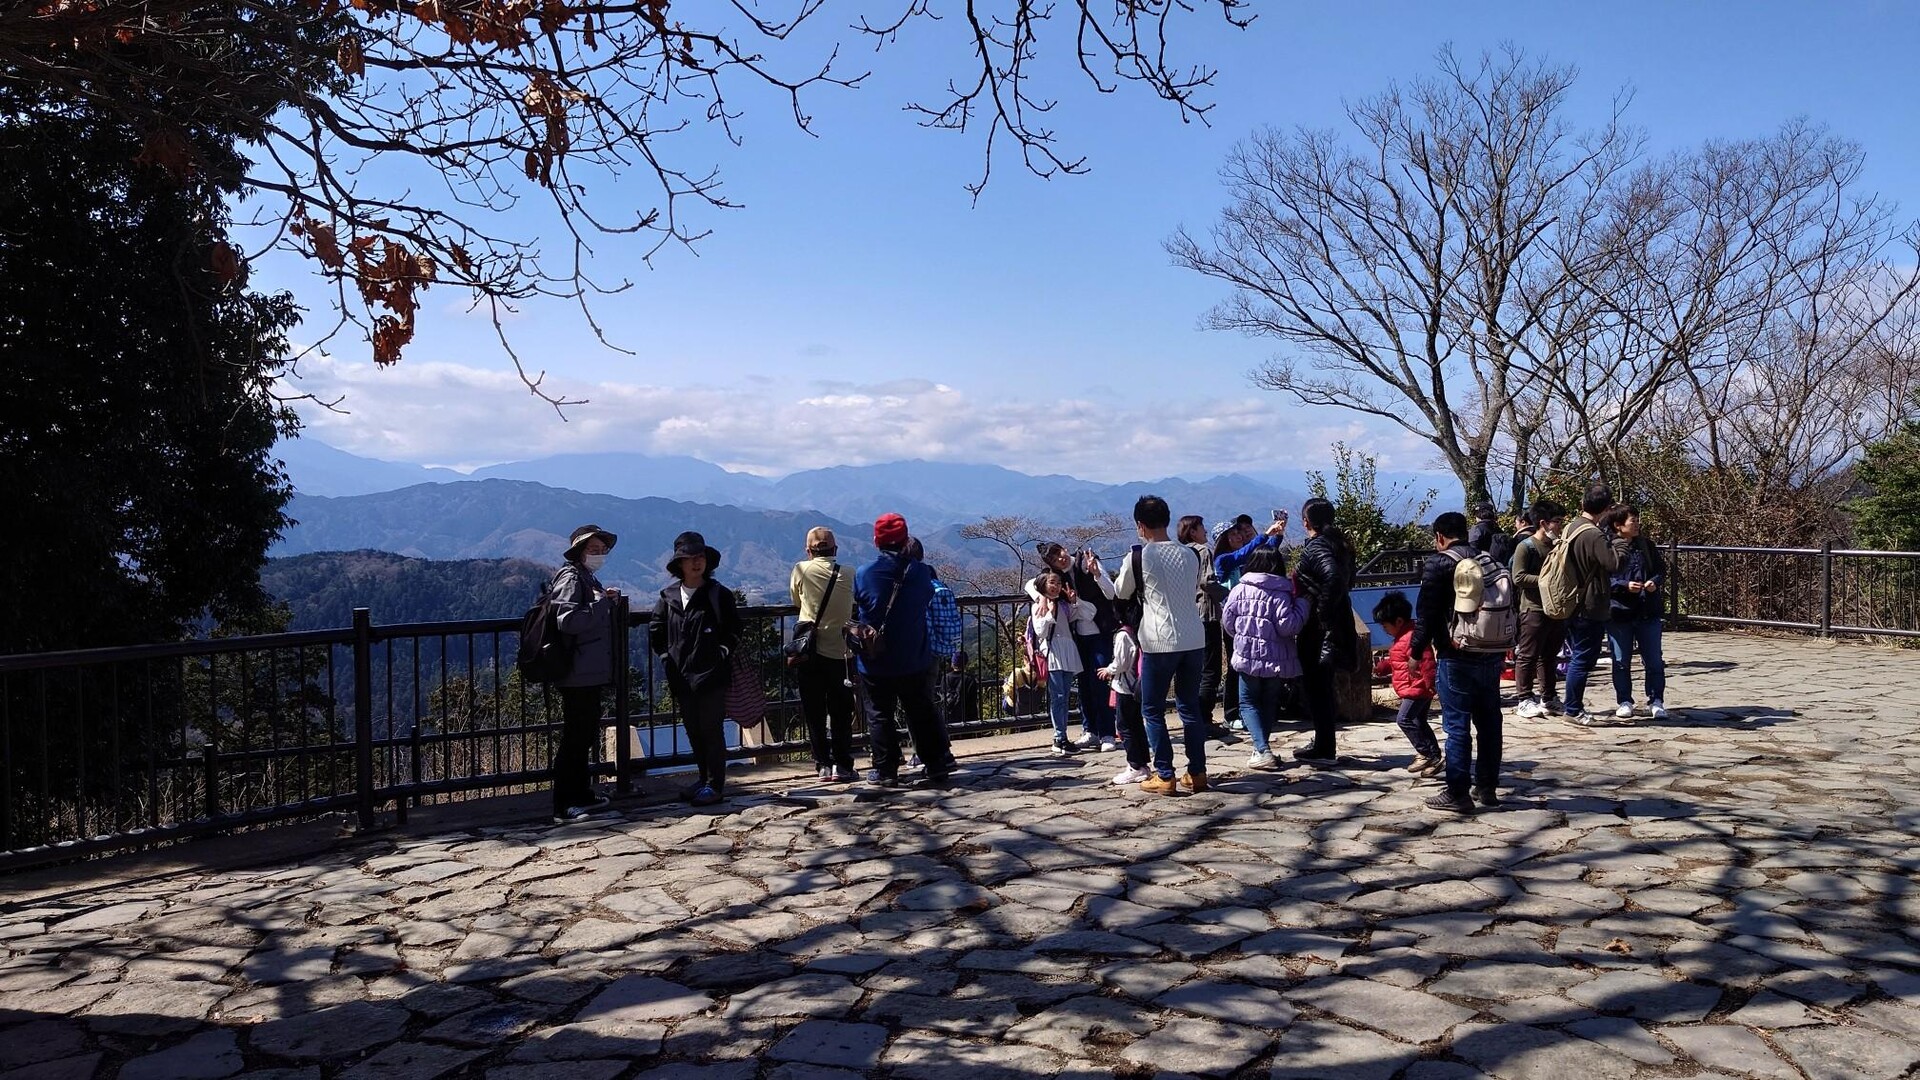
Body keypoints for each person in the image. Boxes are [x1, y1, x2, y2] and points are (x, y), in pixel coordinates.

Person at [1408, 512, 1504, 813]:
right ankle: (1487, 787)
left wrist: (1415, 651)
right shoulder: (1487, 559)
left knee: (1457, 725)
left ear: (1439, 536)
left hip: (1457, 654)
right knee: (1490, 722)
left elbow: (1426, 614)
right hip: (1491, 650)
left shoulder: (1439, 563)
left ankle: (1457, 792)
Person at [1113, 495, 1209, 793]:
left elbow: (1121, 591)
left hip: (1158, 640)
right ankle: (1197, 772)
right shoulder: (1191, 554)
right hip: (1194, 637)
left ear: (1140, 525)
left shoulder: (1138, 557)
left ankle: (1165, 775)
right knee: (1189, 707)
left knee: (1152, 709)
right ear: (1167, 520)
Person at [853, 512, 951, 787]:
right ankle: (935, 764)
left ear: (876, 541)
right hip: (914, 654)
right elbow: (926, 598)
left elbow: (861, 603)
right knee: (920, 710)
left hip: (876, 657)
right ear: (906, 539)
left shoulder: (864, 573)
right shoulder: (921, 573)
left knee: (879, 713)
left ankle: (886, 770)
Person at [648, 531, 739, 807]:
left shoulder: (718, 595)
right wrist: (666, 658)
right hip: (681, 677)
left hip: (712, 676)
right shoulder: (668, 597)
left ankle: (715, 784)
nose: (696, 562)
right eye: (690, 558)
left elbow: (734, 629)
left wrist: (721, 652)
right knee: (693, 729)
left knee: (711, 729)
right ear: (680, 564)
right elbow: (656, 630)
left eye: (700, 557)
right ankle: (703, 778)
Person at [549, 524, 620, 823]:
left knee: (585, 734)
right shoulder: (571, 577)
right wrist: (602, 603)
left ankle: (581, 794)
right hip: (576, 671)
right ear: (579, 551)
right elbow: (567, 620)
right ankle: (564, 804)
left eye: (602, 550)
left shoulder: (586, 577)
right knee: (575, 738)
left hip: (587, 671)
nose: (599, 554)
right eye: (593, 549)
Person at [1025, 541, 1119, 751]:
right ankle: (1090, 731)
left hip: (1099, 631)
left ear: (1065, 549)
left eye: (1059, 552)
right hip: (1077, 637)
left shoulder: (1086, 561)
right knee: (1084, 685)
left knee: (1100, 681)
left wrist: (1096, 574)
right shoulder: (1056, 576)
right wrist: (1041, 597)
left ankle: (1107, 733)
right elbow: (1030, 584)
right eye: (1053, 559)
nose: (1060, 558)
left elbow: (1111, 593)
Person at [1220, 546, 1305, 770]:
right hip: (1276, 659)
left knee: (1247, 703)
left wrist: (1242, 636)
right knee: (1269, 702)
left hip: (1247, 656)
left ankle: (1262, 749)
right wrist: (1303, 605)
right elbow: (1288, 627)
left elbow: (1228, 623)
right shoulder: (1282, 592)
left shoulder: (1239, 589)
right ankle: (1262, 749)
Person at [1560, 485, 1635, 728]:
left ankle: (1572, 706)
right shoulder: (1593, 534)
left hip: (1571, 600)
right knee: (1582, 658)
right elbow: (1615, 563)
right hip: (1589, 604)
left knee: (1579, 656)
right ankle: (1573, 708)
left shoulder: (1571, 527)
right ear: (1605, 509)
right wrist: (1621, 541)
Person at [1292, 497, 1358, 763]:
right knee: (1322, 685)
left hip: (1318, 628)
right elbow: (1346, 579)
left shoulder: (1318, 546)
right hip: (1335, 621)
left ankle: (1324, 747)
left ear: (1306, 521)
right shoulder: (1339, 543)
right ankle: (1323, 742)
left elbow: (1333, 577)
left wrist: (1322, 611)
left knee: (1316, 685)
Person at [790, 526, 857, 782]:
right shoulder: (848, 573)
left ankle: (823, 765)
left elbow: (797, 602)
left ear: (808, 551)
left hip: (810, 652)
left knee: (814, 712)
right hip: (841, 653)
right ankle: (843, 765)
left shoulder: (800, 569)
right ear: (835, 550)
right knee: (841, 712)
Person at [1607, 506, 1669, 720]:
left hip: (1647, 610)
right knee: (1620, 660)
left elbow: (1661, 569)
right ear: (1618, 525)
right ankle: (1624, 700)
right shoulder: (1608, 547)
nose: (1637, 524)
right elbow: (1602, 579)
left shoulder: (1646, 546)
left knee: (1654, 660)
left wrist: (1654, 582)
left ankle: (1656, 700)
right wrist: (1624, 585)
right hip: (1619, 612)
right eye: (1632, 521)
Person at [1371, 590, 1441, 777]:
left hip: (1417, 688)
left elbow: (1427, 660)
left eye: (1385, 626)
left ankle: (1424, 753)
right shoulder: (1402, 638)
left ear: (1399, 621)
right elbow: (1399, 660)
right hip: (1417, 687)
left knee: (1404, 719)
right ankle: (1435, 757)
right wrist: (1384, 667)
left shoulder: (1412, 638)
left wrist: (1430, 682)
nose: (1384, 630)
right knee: (1419, 721)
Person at [1510, 500, 1568, 718]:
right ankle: (1524, 698)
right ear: (1543, 523)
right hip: (1533, 608)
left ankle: (1549, 697)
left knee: (1550, 655)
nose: (1560, 526)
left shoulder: (1557, 546)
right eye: (1557, 521)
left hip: (1556, 608)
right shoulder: (1526, 547)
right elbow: (1518, 577)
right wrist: (1546, 581)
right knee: (1528, 655)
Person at [1030, 570, 1097, 756]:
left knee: (1064, 696)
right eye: (1052, 582)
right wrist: (1047, 610)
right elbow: (1040, 631)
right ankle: (1059, 737)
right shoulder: (1038, 606)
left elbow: (1086, 614)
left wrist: (1074, 601)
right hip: (1053, 652)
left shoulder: (1064, 605)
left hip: (1066, 651)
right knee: (1058, 697)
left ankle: (1062, 736)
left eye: (1058, 583)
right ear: (1043, 584)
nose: (1056, 586)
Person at [1098, 614, 1151, 786]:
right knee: (1136, 725)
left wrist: (1109, 669)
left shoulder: (1123, 635)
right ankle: (1142, 763)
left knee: (1124, 726)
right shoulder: (1138, 631)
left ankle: (1135, 764)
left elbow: (1121, 663)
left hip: (1125, 686)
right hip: (1136, 685)